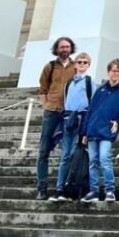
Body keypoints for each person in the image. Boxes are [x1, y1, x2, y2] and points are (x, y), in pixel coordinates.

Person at [80, 59, 119, 203]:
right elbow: (90, 110)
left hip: (107, 131)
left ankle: (110, 190)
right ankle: (93, 191)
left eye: (118, 71)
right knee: (93, 162)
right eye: (113, 70)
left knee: (104, 160)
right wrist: (84, 132)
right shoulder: (100, 89)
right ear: (108, 72)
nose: (115, 73)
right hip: (92, 130)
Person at [48, 52, 96, 202]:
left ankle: (74, 188)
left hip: (82, 121)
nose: (81, 64)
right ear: (75, 64)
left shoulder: (89, 82)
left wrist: (87, 129)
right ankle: (60, 189)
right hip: (68, 121)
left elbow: (93, 105)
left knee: (77, 155)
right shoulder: (69, 83)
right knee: (65, 156)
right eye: (79, 62)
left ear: (88, 65)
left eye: (84, 62)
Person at [36, 37, 77, 200]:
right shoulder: (50, 66)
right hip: (52, 111)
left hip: (69, 112)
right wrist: (46, 106)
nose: (65, 49)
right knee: (44, 151)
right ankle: (42, 188)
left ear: (71, 49)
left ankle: (63, 187)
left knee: (67, 152)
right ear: (57, 49)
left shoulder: (76, 67)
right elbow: (42, 89)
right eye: (62, 47)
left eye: (67, 47)